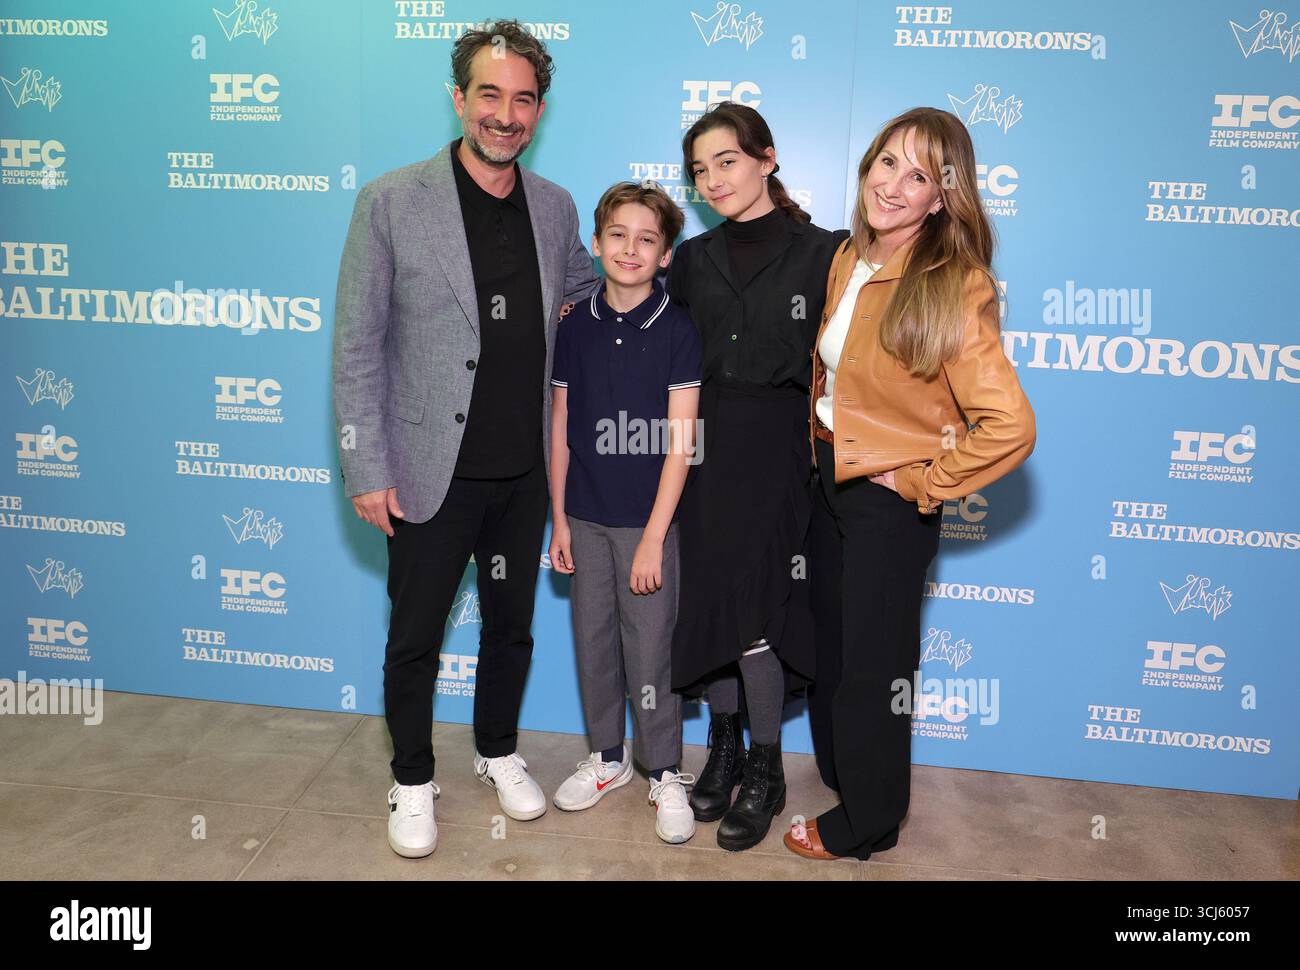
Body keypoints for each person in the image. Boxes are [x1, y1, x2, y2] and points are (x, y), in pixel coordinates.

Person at [331, 19, 599, 859]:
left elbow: (593, 292)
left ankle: (496, 751)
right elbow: (355, 345)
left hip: (523, 475)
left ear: (540, 110)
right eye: (490, 94)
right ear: (459, 98)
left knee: (510, 630)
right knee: (414, 637)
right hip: (423, 469)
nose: (505, 114)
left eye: (523, 99)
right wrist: (366, 464)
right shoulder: (389, 199)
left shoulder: (554, 208)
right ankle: (412, 777)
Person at [785, 107, 1036, 862]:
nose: (892, 184)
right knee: (832, 647)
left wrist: (925, 480)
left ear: (941, 196)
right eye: (886, 162)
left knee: (872, 666)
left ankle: (869, 823)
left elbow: (1011, 426)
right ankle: (846, 775)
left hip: (885, 505)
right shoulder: (848, 257)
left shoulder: (955, 285)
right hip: (826, 476)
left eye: (918, 174)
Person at [667, 102, 848, 852]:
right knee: (710, 601)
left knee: (765, 609)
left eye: (728, 162)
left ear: (767, 158)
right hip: (704, 448)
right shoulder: (689, 260)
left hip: (783, 449)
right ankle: (725, 748)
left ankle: (768, 768)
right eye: (701, 170)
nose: (714, 181)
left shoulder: (826, 253)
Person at [547, 181, 702, 844]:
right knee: (592, 640)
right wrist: (558, 518)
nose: (630, 249)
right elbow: (559, 427)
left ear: (665, 254)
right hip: (583, 514)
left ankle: (663, 769)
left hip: (648, 523)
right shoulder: (574, 324)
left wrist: (654, 538)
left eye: (646, 239)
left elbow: (681, 443)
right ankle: (607, 757)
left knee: (651, 650)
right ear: (597, 243)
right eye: (618, 235)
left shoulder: (677, 329)